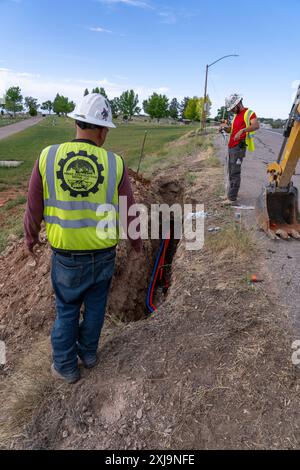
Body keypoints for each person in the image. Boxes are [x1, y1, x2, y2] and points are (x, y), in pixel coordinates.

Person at [24, 93, 142, 384]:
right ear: (102, 130)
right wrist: (137, 242)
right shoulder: (115, 163)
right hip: (103, 253)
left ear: (77, 122)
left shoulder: (48, 156)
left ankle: (65, 366)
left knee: (66, 309)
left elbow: (33, 206)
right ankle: (88, 354)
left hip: (66, 255)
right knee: (96, 307)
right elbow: (129, 209)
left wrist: (30, 238)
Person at [220, 94, 260, 204]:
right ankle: (230, 194)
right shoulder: (236, 116)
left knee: (235, 172)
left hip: (239, 147)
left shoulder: (249, 113)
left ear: (237, 104)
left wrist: (242, 131)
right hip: (232, 146)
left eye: (233, 108)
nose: (232, 110)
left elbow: (256, 126)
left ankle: (232, 198)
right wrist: (225, 128)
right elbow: (231, 131)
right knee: (231, 171)